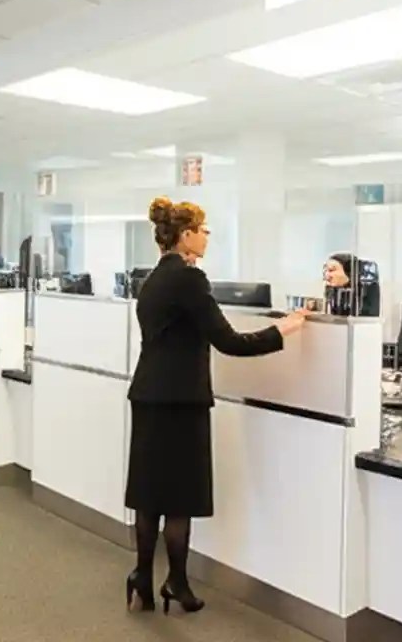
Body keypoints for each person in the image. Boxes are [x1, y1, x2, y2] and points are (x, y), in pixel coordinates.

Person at [124, 197, 308, 615]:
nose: (207, 236)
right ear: (186, 235)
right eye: (204, 229)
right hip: (181, 401)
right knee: (179, 497)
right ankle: (176, 581)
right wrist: (284, 329)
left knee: (150, 492)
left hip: (148, 395)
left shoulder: (151, 280)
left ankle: (142, 577)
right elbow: (229, 342)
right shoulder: (191, 280)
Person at [323, 252, 380, 317]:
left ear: (349, 271)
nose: (326, 275)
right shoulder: (334, 291)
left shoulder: (367, 289)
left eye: (331, 270)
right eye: (325, 270)